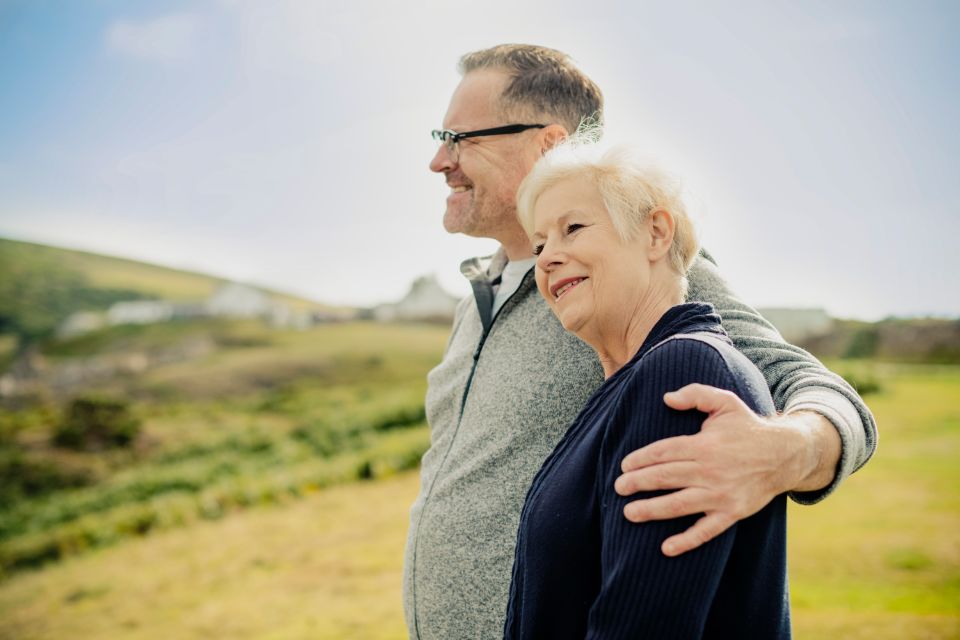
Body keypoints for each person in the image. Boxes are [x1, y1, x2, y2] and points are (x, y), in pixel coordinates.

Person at [403, 44, 876, 640]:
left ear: (548, 144)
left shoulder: (636, 267)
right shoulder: (476, 298)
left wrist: (788, 450)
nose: (438, 160)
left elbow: (811, 385)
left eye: (458, 137)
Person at [504, 139, 788, 638]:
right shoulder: (628, 385)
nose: (546, 259)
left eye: (573, 228)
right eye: (540, 244)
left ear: (655, 234)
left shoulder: (680, 372)